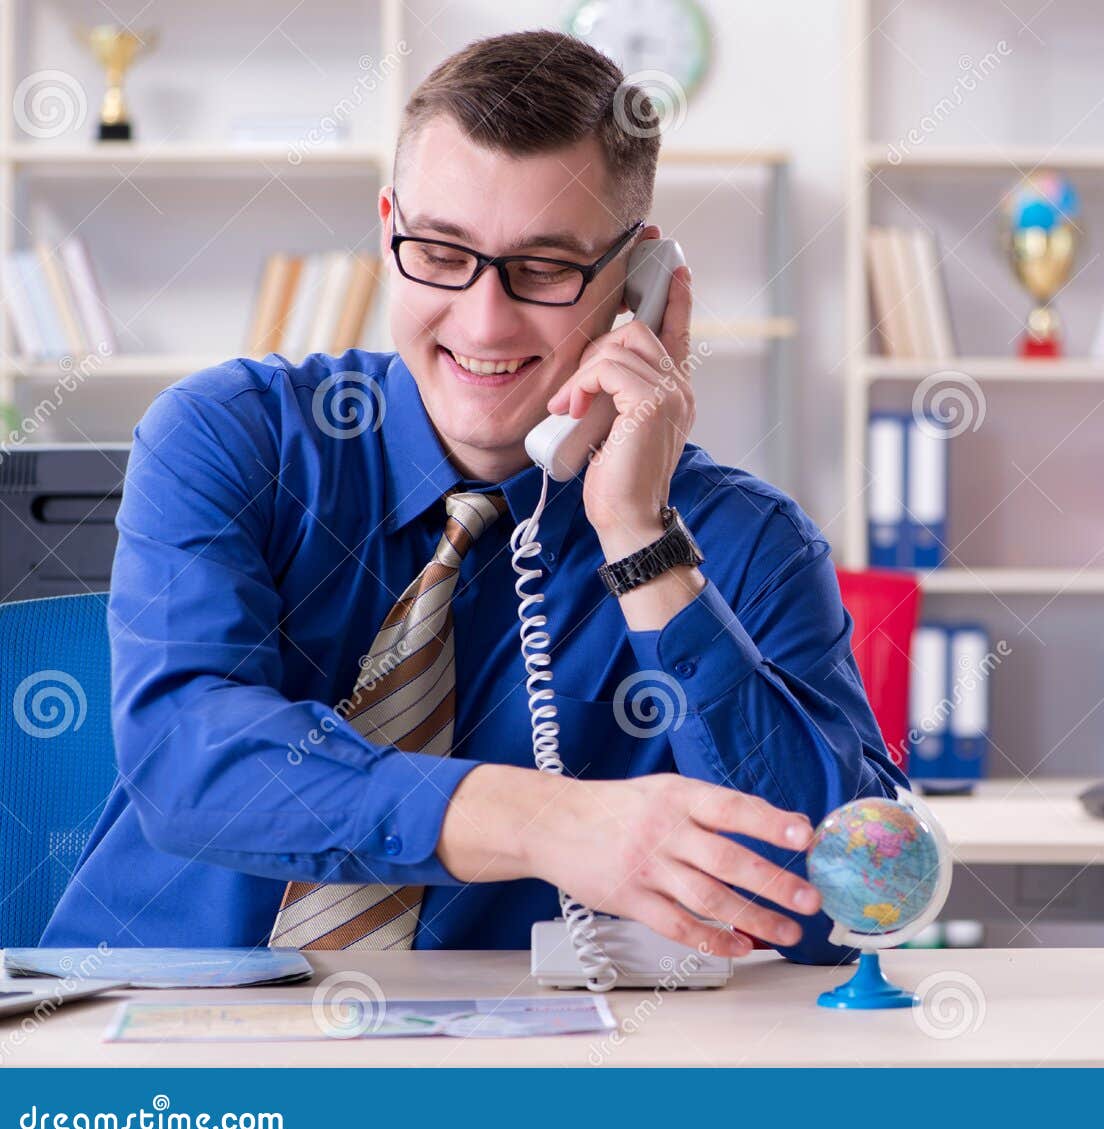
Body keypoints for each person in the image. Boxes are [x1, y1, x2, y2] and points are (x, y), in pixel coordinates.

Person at [43, 30, 906, 962]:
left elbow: (840, 898)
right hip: (146, 1026)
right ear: (387, 231)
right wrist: (543, 821)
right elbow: (188, 762)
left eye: (545, 269)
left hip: (495, 1066)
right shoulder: (232, 436)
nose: (484, 321)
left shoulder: (742, 542)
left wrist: (640, 538)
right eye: (443, 253)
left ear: (639, 282)